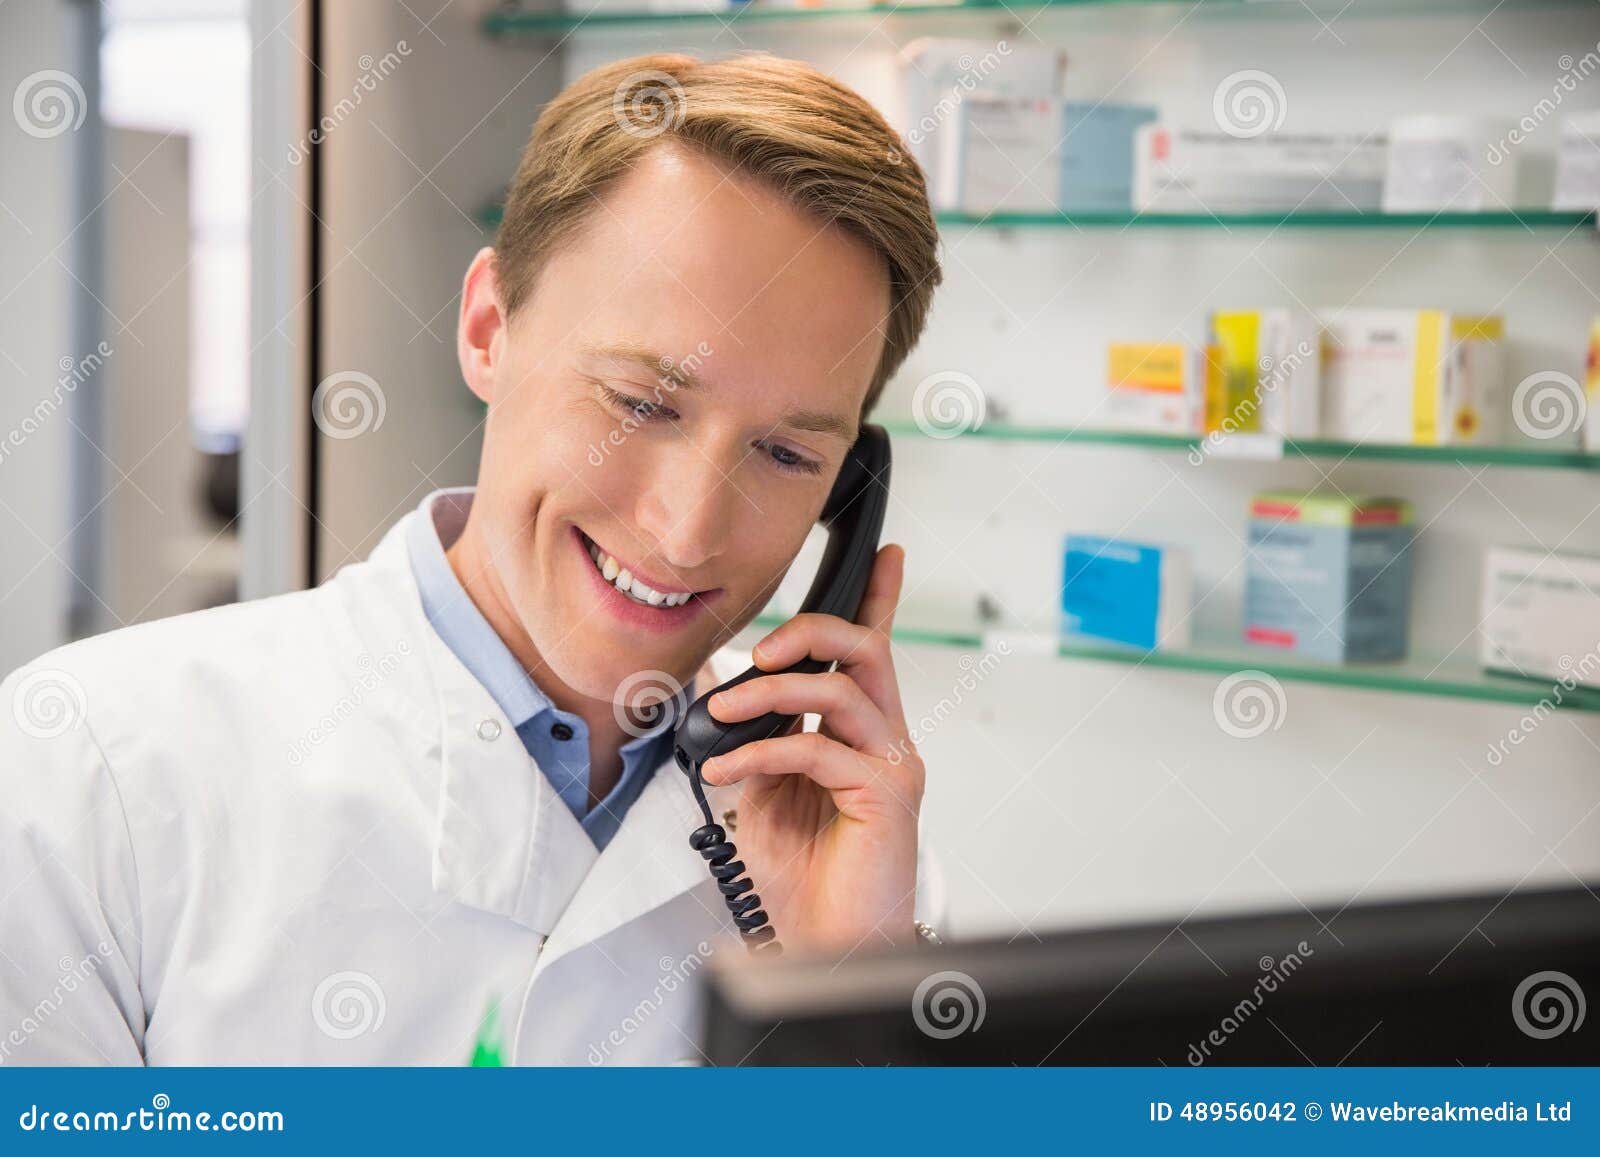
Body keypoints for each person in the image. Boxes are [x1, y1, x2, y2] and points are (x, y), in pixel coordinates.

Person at [0, 51, 946, 1065]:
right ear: (491, 328)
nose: (686, 531)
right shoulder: (93, 769)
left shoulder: (843, 853)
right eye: (640, 403)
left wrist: (847, 1011)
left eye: (786, 452)